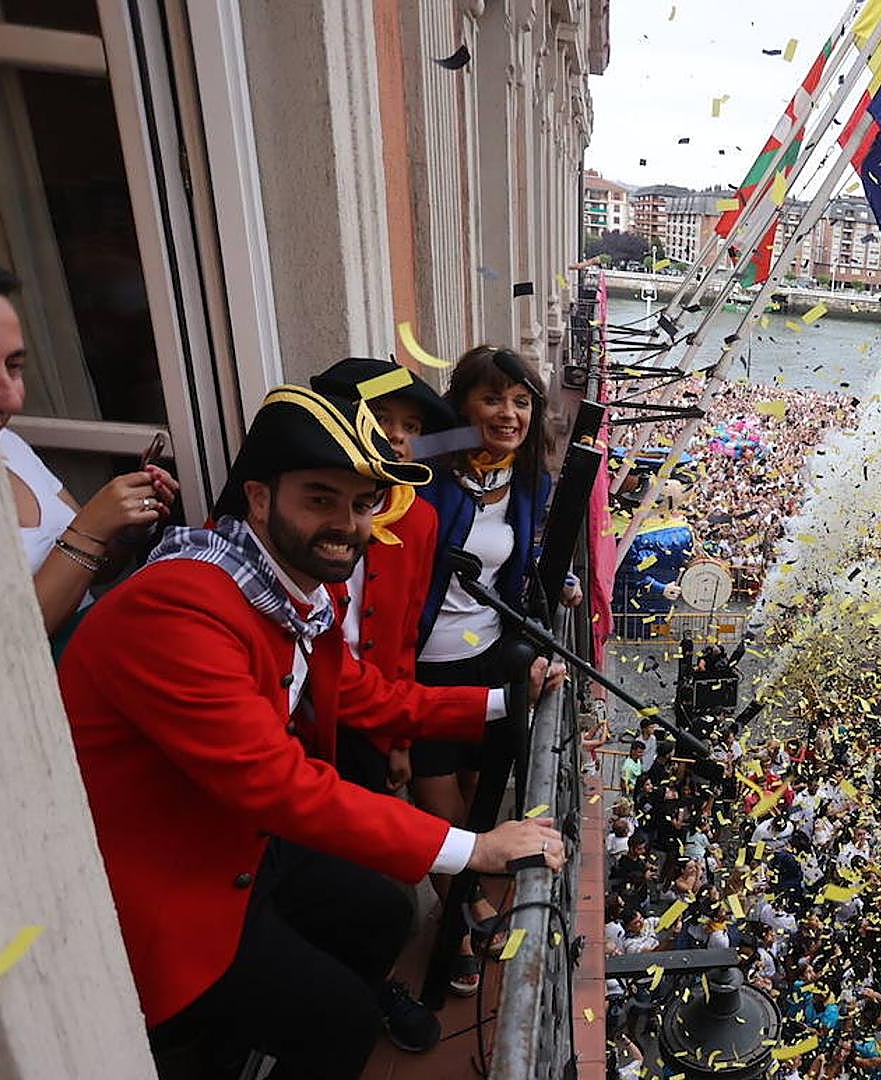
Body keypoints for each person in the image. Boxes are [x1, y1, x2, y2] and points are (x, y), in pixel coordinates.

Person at [57, 384, 564, 1079]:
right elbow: (275, 783)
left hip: (238, 835)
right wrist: (472, 847)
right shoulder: (179, 607)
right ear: (261, 499)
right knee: (339, 1028)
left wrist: (505, 700)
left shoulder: (288, 586)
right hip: (169, 873)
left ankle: (259, 1031)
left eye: (362, 504)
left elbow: (364, 696)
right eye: (320, 498)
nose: (347, 524)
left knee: (384, 915)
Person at [410, 344, 577, 995]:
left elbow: (519, 562)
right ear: (462, 406)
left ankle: (472, 883)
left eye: (521, 401)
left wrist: (556, 580)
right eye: (492, 399)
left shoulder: (526, 480)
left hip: (487, 659)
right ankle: (461, 918)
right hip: (423, 667)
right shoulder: (430, 480)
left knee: (480, 793)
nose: (508, 414)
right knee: (436, 806)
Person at [0, 241, 176, 639]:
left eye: (15, 366)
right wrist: (92, 526)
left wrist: (127, 524)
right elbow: (10, 648)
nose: (12, 397)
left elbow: (95, 571)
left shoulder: (9, 445)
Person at [308, 357, 459, 798]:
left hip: (370, 717)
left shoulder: (419, 518)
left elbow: (405, 637)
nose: (397, 435)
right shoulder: (300, 503)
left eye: (411, 427)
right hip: (303, 706)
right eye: (381, 417)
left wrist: (399, 741)